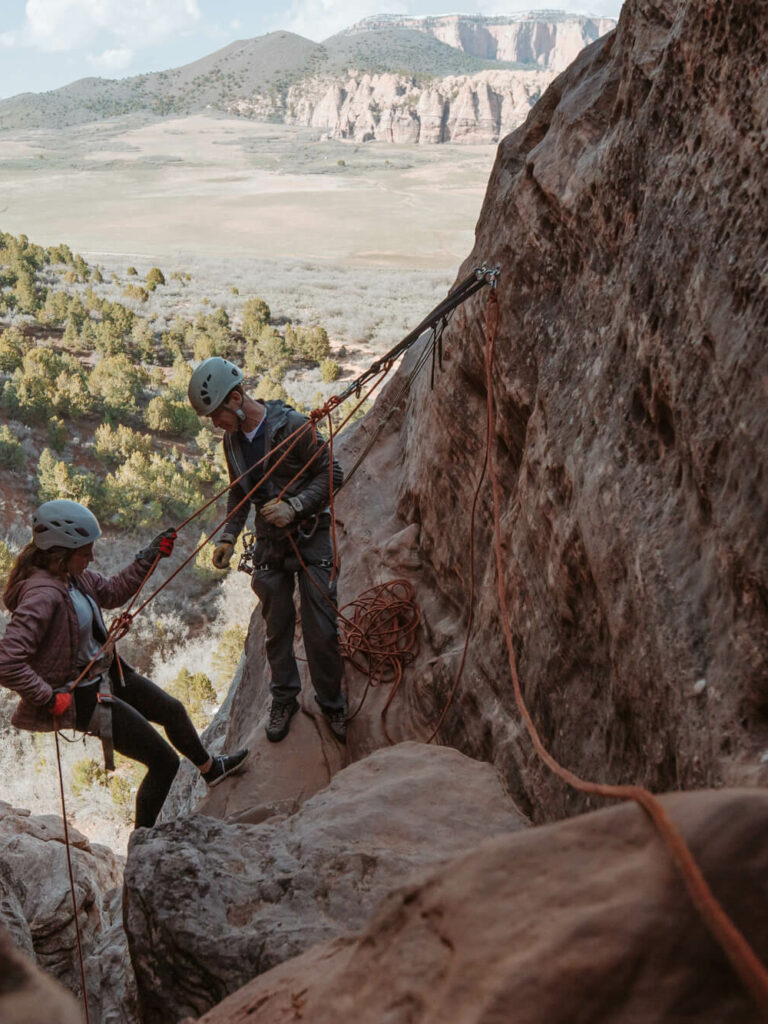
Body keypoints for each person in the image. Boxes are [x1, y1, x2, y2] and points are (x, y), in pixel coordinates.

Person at [0, 499, 249, 829]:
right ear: (60, 553)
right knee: (163, 762)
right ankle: (141, 843)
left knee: (173, 711)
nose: (91, 558)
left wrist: (148, 558)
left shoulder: (74, 578)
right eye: (84, 552)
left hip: (103, 673)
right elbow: (6, 661)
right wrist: (47, 697)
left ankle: (212, 770)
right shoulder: (42, 595)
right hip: (81, 696)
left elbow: (113, 591)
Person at [187, 356, 347, 744]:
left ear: (236, 399)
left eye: (217, 414)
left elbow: (332, 473)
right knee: (276, 627)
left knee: (321, 628)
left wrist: (295, 506)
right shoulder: (232, 442)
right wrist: (228, 536)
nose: (215, 424)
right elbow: (239, 492)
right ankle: (284, 699)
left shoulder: (293, 427)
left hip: (310, 533)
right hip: (270, 541)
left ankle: (332, 703)